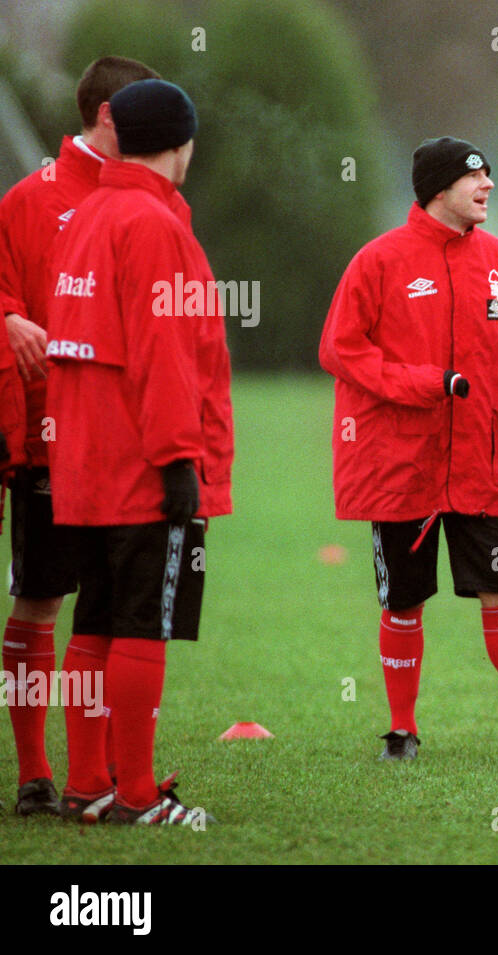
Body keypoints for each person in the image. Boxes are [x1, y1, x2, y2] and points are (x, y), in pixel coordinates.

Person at [320, 137, 498, 764]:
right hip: (401, 467)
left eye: (491, 175)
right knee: (404, 599)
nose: (488, 186)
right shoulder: (378, 261)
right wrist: (422, 384)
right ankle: (401, 731)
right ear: (438, 189)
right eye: (475, 177)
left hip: (483, 465)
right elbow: (340, 349)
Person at [47, 78, 232, 823]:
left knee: (91, 621)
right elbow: (163, 355)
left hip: (84, 463)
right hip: (140, 463)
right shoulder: (154, 226)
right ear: (181, 144)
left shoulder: (87, 212)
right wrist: (179, 457)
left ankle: (88, 782)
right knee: (138, 624)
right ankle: (137, 795)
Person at [0, 55, 160, 817]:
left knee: (106, 610)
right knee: (40, 601)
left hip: (125, 446)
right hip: (48, 440)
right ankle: (35, 771)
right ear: (107, 115)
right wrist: (7, 319)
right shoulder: (29, 200)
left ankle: (94, 777)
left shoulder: (150, 203)